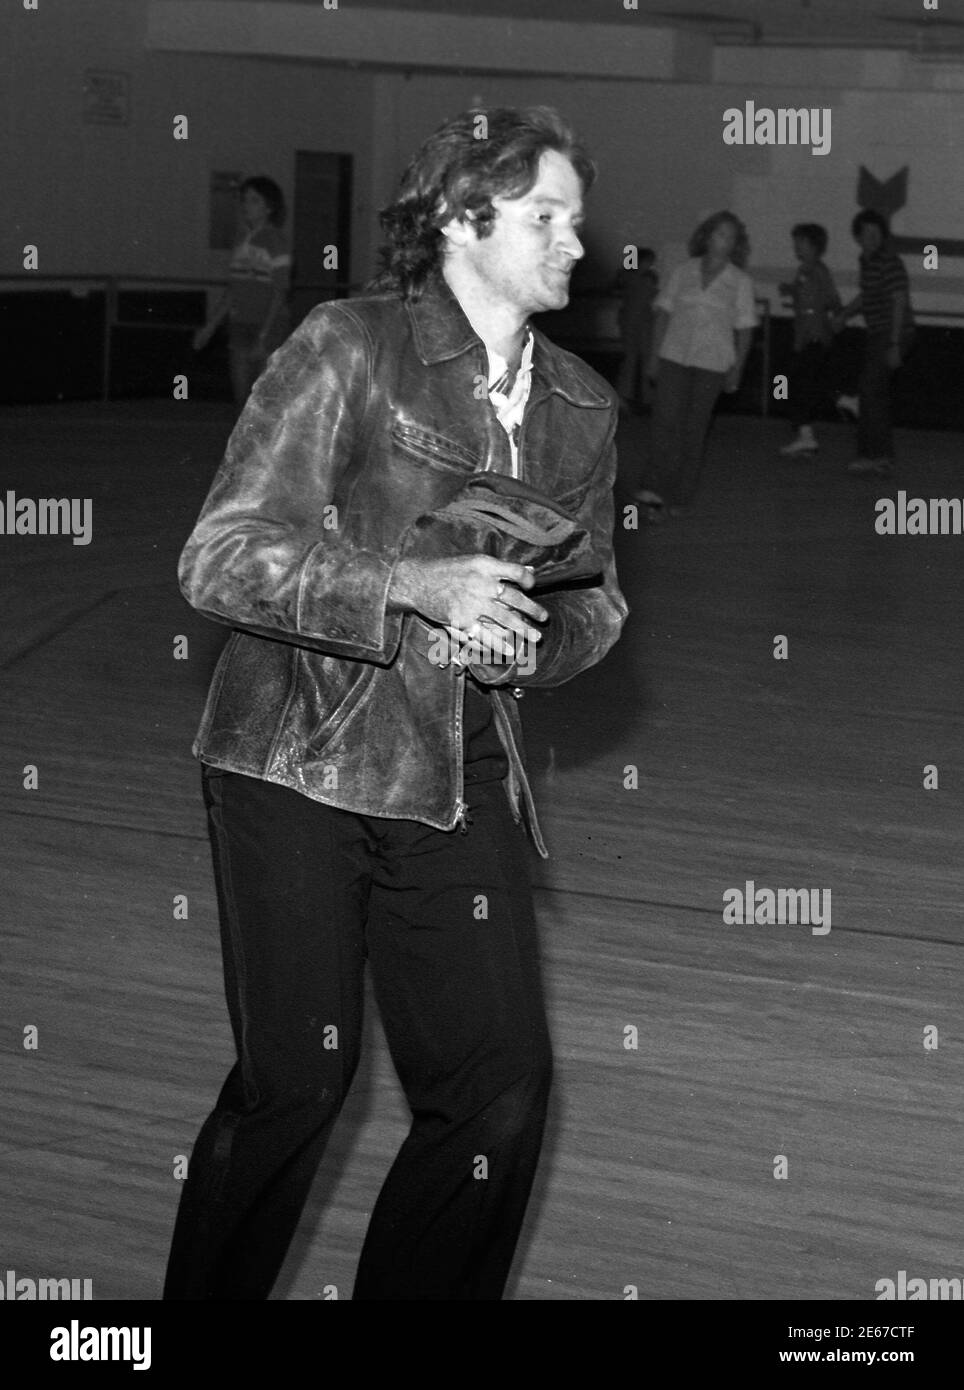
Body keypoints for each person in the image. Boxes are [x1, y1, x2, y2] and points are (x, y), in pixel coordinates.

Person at [164, 106, 627, 1302]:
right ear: (462, 221)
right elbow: (219, 556)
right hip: (294, 764)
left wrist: (527, 647)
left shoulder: (577, 402)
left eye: (576, 217)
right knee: (296, 1089)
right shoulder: (349, 346)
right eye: (545, 217)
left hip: (454, 776)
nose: (576, 241)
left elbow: (596, 604)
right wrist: (408, 586)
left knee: (499, 1088)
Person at [635, 211, 757, 520]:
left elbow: (745, 329)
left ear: (736, 244)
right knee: (664, 420)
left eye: (730, 236)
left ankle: (680, 494)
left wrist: (738, 368)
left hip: (713, 362)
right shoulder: (683, 271)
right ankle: (653, 488)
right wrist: (653, 356)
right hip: (674, 354)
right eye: (718, 233)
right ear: (706, 236)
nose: (723, 241)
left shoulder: (739, 282)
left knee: (694, 429)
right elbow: (662, 312)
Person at [192, 176, 292, 407]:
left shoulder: (275, 241)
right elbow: (233, 290)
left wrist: (264, 336)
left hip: (269, 325)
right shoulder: (240, 239)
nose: (246, 205)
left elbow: (279, 292)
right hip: (240, 323)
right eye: (245, 200)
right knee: (241, 400)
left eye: (254, 200)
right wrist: (210, 327)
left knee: (263, 403)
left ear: (269, 207)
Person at [833, 209, 914, 479]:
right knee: (872, 393)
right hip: (878, 333)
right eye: (866, 233)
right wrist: (844, 314)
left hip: (893, 333)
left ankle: (877, 456)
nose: (872, 238)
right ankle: (875, 455)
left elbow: (899, 299)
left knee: (870, 391)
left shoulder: (889, 261)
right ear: (857, 236)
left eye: (876, 234)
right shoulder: (866, 261)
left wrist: (893, 343)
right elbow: (866, 296)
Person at [778, 223, 842, 457]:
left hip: (813, 336)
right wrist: (791, 290)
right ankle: (808, 432)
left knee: (800, 382)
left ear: (814, 245)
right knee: (802, 382)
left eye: (800, 242)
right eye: (796, 242)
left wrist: (835, 317)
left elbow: (829, 300)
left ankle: (809, 432)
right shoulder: (806, 270)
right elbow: (812, 297)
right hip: (808, 336)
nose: (796, 246)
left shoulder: (815, 270)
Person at [614, 246, 658, 413]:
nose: (651, 264)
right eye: (649, 261)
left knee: (644, 359)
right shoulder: (634, 276)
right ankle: (626, 396)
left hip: (641, 322)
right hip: (634, 322)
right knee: (633, 358)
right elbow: (622, 276)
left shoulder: (646, 277)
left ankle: (647, 397)